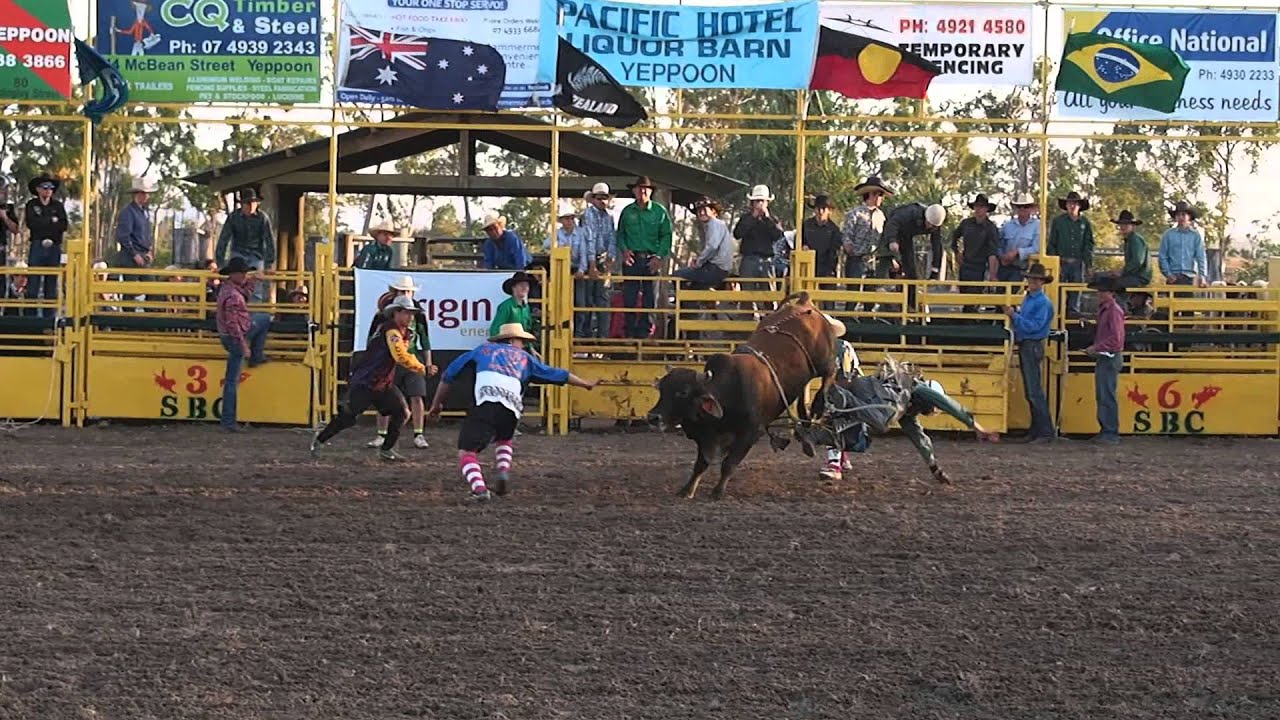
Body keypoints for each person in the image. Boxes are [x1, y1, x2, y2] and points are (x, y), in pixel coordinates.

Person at [429, 323, 600, 501]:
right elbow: (559, 374)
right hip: (512, 406)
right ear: (512, 340)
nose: (523, 345)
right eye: (522, 341)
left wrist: (436, 405)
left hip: (486, 400)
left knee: (467, 452)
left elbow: (448, 375)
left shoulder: (482, 350)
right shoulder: (526, 358)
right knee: (504, 438)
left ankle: (479, 489)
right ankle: (503, 471)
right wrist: (585, 384)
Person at [809, 356, 999, 484]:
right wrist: (975, 426)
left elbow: (919, 437)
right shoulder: (917, 389)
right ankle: (841, 396)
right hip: (872, 394)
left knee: (858, 440)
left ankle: (814, 434)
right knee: (881, 422)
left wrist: (934, 468)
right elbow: (949, 404)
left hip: (866, 391)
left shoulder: (907, 409)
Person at [312, 295, 427, 461]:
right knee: (348, 417)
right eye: (407, 313)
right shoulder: (391, 331)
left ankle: (387, 449)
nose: (410, 317)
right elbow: (400, 356)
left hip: (381, 382)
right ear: (396, 313)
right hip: (367, 381)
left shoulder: (399, 332)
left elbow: (402, 354)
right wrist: (422, 368)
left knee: (401, 412)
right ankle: (320, 439)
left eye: (411, 313)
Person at [365, 276, 437, 450]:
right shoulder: (382, 314)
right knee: (384, 395)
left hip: (411, 356)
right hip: (389, 360)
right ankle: (381, 434)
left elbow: (425, 339)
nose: (405, 294)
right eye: (401, 291)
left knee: (417, 395)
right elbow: (372, 339)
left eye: (407, 291)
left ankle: (418, 434)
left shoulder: (418, 314)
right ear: (394, 293)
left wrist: (427, 363)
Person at [215, 257, 270, 433]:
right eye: (243, 273)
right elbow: (232, 324)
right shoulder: (232, 296)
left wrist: (253, 281)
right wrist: (243, 345)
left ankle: (228, 421)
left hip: (231, 335)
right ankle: (229, 421)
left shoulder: (229, 290)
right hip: (236, 336)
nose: (245, 276)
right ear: (235, 274)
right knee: (232, 381)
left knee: (231, 380)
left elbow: (244, 294)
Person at [615, 175, 673, 338]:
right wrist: (624, 250)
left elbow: (667, 235)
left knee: (651, 297)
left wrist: (659, 256)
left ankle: (645, 332)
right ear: (634, 191)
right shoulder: (627, 211)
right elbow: (620, 234)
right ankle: (629, 331)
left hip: (651, 259)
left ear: (651, 191)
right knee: (630, 296)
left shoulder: (659, 211)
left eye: (646, 189)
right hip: (632, 258)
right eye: (639, 188)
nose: (642, 191)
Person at [1005, 262, 1056, 442]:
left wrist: (1014, 316)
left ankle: (1045, 431)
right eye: (1031, 279)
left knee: (1033, 390)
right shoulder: (1033, 300)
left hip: (1031, 344)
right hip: (1029, 344)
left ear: (1042, 282)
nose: (1033, 282)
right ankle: (1038, 430)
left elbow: (1034, 326)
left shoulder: (1041, 302)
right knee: (1032, 390)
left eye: (1036, 279)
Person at [879, 201, 946, 310]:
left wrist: (935, 271)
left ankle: (911, 305)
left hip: (906, 237)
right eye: (929, 224)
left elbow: (937, 247)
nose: (930, 227)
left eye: (933, 226)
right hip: (889, 232)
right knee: (887, 263)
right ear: (925, 217)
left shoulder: (935, 225)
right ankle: (881, 289)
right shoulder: (910, 213)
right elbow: (893, 223)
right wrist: (892, 240)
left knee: (911, 274)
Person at [841, 176, 892, 310]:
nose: (881, 198)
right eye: (880, 195)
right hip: (856, 259)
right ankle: (850, 319)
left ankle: (868, 319)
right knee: (853, 295)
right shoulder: (855, 213)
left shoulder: (881, 216)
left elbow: (882, 238)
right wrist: (849, 247)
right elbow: (846, 234)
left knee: (870, 296)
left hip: (872, 261)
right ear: (872, 194)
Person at [21, 174, 69, 317]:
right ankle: (30, 318)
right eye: (45, 187)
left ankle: (49, 319)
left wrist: (45, 222)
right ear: (38, 189)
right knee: (33, 283)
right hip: (37, 244)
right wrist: (51, 221)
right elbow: (31, 224)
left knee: (51, 284)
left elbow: (63, 225)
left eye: (51, 188)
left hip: (54, 246)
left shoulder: (58, 206)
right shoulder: (31, 205)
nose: (48, 190)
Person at [1086, 275, 1125, 444]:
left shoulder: (1112, 310)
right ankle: (1108, 431)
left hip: (1109, 356)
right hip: (1107, 356)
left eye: (1103, 291)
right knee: (1105, 395)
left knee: (1106, 395)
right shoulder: (1108, 310)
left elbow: (1116, 339)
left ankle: (1110, 432)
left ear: (1111, 292)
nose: (1100, 294)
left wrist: (1096, 347)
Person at [562, 202, 606, 339]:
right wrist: (560, 247)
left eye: (571, 218)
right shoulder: (557, 234)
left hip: (578, 271)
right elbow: (547, 245)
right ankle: (565, 333)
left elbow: (583, 252)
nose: (569, 221)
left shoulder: (581, 233)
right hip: (562, 271)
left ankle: (579, 333)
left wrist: (582, 269)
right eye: (566, 218)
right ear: (562, 221)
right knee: (563, 302)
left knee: (581, 303)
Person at [1097, 210, 1153, 316]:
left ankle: (1120, 311)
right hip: (1136, 275)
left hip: (1139, 277)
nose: (1123, 227)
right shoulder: (1130, 240)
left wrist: (1121, 272)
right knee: (1111, 280)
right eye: (1121, 224)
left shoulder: (1135, 240)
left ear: (1133, 226)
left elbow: (1137, 261)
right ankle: (1124, 308)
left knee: (1113, 284)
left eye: (1126, 224)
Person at [1047, 191, 1094, 317]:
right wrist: (1055, 262)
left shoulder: (1085, 222)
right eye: (1070, 203)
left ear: (1079, 206)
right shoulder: (1058, 221)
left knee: (1076, 289)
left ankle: (1072, 315)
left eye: (1075, 203)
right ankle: (1057, 314)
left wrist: (1088, 264)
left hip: (1077, 262)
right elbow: (1052, 243)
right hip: (1061, 262)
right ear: (1066, 205)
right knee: (1058, 289)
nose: (1072, 206)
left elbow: (1088, 245)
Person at [676, 196, 733, 290]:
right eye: (699, 211)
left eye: (705, 210)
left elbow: (712, 247)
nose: (702, 213)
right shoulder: (713, 226)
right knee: (695, 289)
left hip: (715, 268)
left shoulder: (714, 224)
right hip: (717, 268)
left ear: (713, 211)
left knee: (677, 275)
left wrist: (699, 262)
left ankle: (682, 297)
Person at [215, 188, 276, 274]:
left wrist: (269, 264)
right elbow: (223, 239)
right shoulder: (234, 217)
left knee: (256, 278)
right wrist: (220, 263)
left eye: (254, 203)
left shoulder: (263, 218)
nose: (251, 206)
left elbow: (269, 240)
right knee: (236, 277)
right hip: (238, 254)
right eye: (248, 203)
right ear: (242, 204)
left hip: (256, 256)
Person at [950, 193, 999, 293]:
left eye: (981, 206)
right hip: (965, 265)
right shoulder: (966, 223)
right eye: (977, 206)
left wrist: (992, 274)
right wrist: (957, 252)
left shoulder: (991, 228)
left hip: (980, 267)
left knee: (975, 295)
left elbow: (992, 252)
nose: (978, 209)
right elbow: (954, 237)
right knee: (964, 294)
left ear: (986, 209)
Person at [1158, 200, 1208, 287]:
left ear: (1189, 217)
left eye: (1183, 215)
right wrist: (1168, 274)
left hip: (1190, 276)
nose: (1181, 217)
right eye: (1178, 215)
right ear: (1175, 217)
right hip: (1173, 276)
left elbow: (1201, 257)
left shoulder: (1195, 235)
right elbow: (1163, 256)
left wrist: (1202, 276)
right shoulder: (1168, 235)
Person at [113, 177, 155, 272]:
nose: (147, 196)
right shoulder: (128, 212)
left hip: (144, 256)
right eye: (145, 193)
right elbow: (123, 236)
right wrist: (134, 254)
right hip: (131, 259)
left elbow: (146, 235)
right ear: (138, 194)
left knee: (149, 280)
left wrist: (149, 251)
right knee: (132, 281)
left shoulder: (144, 212)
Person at [490, 271, 538, 351]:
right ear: (513, 288)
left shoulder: (526, 307)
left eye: (527, 285)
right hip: (507, 348)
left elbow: (526, 330)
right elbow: (495, 330)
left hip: (521, 348)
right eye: (521, 285)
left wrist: (531, 348)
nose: (525, 288)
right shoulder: (506, 306)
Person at [998, 193, 1040, 282]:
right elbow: (998, 244)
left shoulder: (1038, 225)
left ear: (1031, 209)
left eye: (1026, 206)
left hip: (1024, 269)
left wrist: (1017, 252)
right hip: (1004, 267)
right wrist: (1002, 256)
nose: (1022, 209)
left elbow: (1037, 248)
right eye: (1020, 206)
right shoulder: (1007, 225)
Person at [802, 194, 842, 281]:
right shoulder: (806, 225)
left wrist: (829, 271)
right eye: (818, 208)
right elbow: (798, 241)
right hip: (806, 271)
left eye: (823, 208)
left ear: (829, 211)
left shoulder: (834, 230)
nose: (820, 212)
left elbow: (834, 253)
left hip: (826, 272)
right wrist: (803, 246)